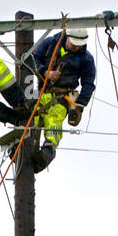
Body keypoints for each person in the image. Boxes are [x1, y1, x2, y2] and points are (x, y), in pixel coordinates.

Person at [26, 27, 96, 172]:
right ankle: (23, 153)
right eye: (74, 43)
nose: (77, 47)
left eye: (80, 45)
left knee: (53, 124)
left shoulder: (86, 59)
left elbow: (88, 84)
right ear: (67, 37)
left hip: (61, 99)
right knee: (30, 126)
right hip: (40, 94)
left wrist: (80, 106)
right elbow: (32, 58)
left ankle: (45, 154)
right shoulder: (50, 44)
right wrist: (46, 72)